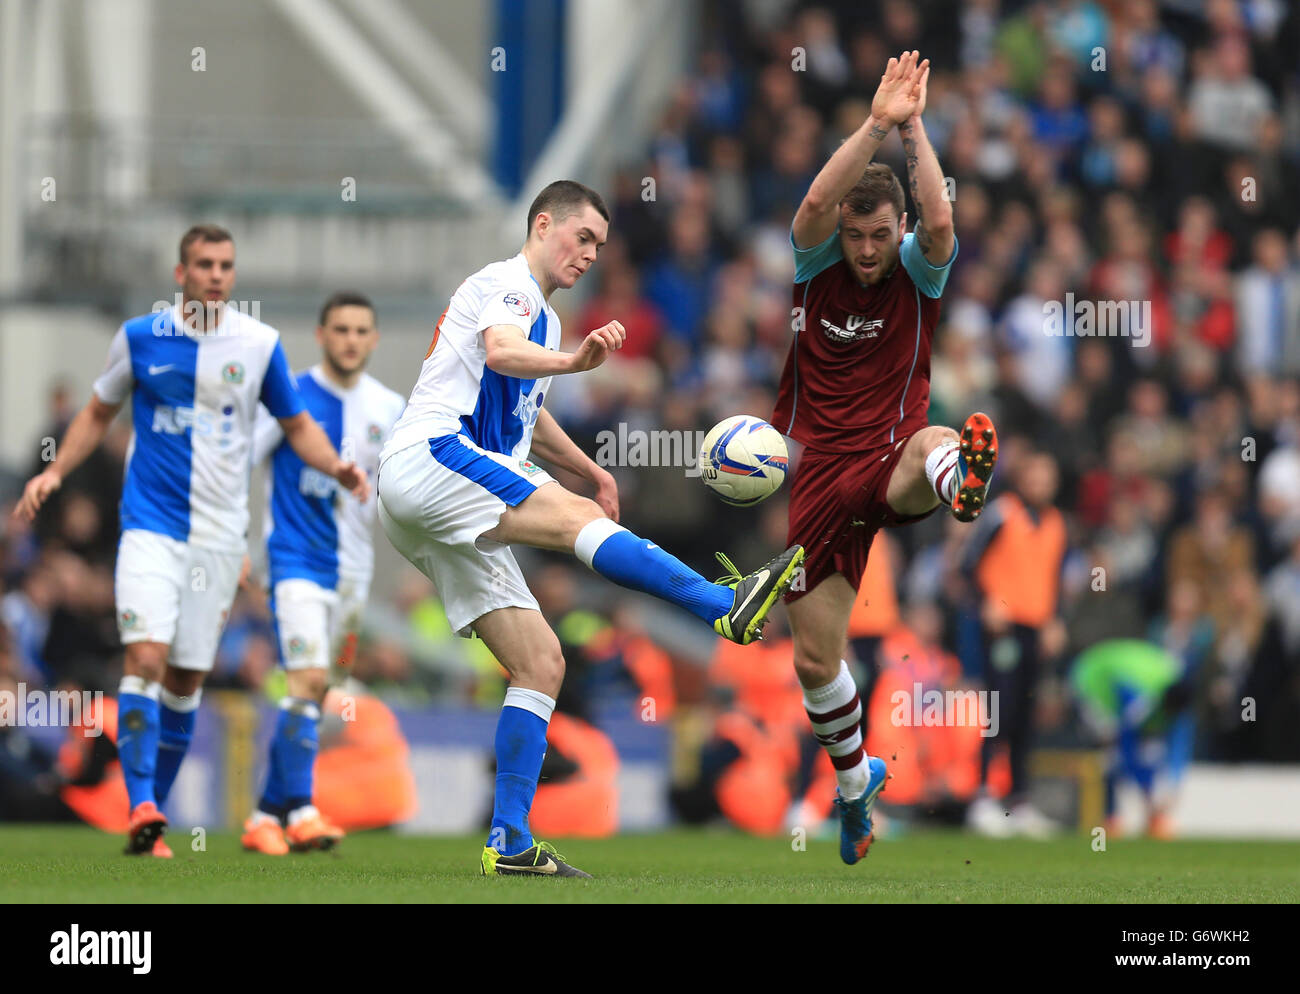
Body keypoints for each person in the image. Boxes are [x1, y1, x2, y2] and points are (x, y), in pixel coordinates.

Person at [376, 180, 803, 878]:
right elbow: (502, 352)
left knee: (541, 662)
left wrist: (589, 472)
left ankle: (508, 839)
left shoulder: (541, 318)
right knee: (575, 527)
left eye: (599, 247)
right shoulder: (507, 286)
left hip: (434, 500)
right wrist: (576, 365)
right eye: (582, 238)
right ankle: (722, 605)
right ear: (544, 224)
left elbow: (525, 415)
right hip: (436, 457)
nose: (589, 255)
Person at [13, 225, 367, 857]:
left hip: (218, 540)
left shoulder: (258, 345)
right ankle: (141, 803)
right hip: (150, 527)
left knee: (183, 682)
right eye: (203, 264)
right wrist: (56, 471)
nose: (215, 275)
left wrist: (335, 466)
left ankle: (152, 822)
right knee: (144, 659)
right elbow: (97, 413)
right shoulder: (140, 339)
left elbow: (296, 424)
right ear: (181, 274)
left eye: (225, 265)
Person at [775, 51, 997, 865]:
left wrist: (913, 130)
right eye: (857, 235)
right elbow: (810, 202)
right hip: (821, 473)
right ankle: (853, 787)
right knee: (814, 659)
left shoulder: (917, 267)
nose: (867, 249)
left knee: (937, 440)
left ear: (896, 233)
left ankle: (959, 483)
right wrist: (874, 122)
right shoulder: (814, 264)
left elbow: (940, 221)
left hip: (892, 454)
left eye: (879, 235)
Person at [241, 291, 406, 855]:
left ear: (375, 339)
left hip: (354, 576)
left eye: (361, 330)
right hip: (294, 564)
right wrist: (235, 542)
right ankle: (305, 810)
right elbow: (239, 464)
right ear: (320, 334)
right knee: (306, 681)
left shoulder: (391, 407)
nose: (351, 340)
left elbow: (409, 490)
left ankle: (265, 815)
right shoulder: (290, 399)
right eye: (340, 329)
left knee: (317, 693)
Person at [1071, 639, 1195, 839]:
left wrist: (1173, 784)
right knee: (1111, 752)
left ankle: (1148, 816)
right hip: (1090, 678)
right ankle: (1109, 817)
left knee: (1147, 752)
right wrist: (1147, 794)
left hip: (1122, 677)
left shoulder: (1177, 686)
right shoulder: (1140, 696)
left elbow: (1180, 739)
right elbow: (1126, 740)